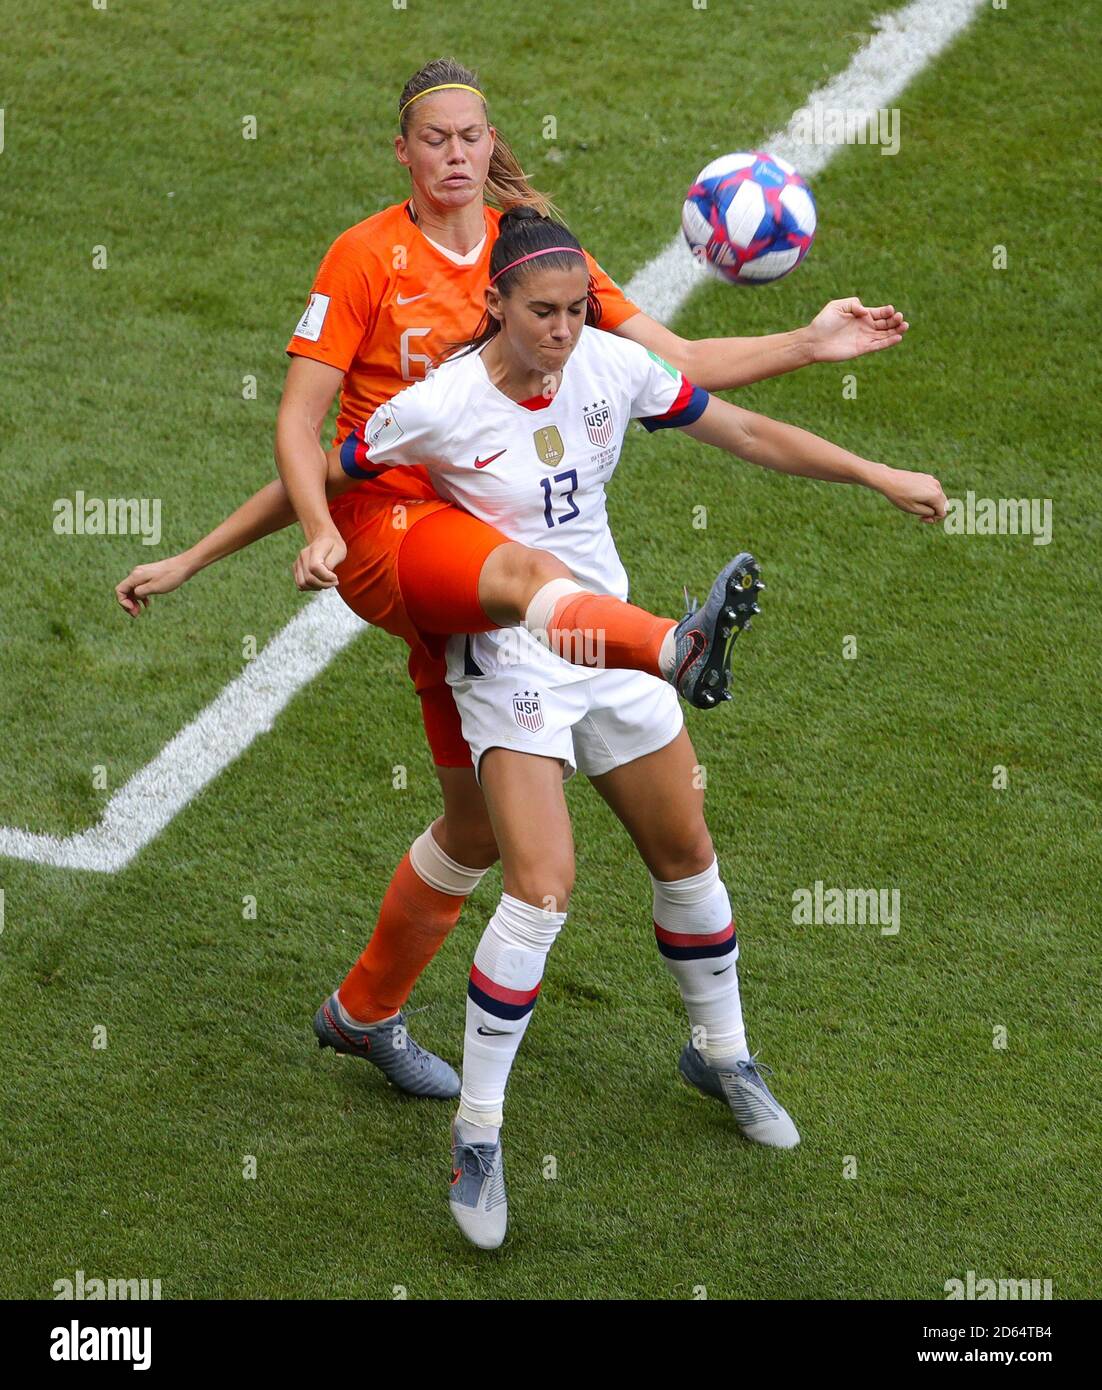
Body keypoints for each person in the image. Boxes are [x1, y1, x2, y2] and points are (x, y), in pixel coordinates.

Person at [115, 58, 914, 1100]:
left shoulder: (537, 258)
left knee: (474, 831)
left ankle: (359, 1013)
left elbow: (670, 361)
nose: (456, 155)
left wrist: (810, 343)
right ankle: (672, 644)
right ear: (401, 152)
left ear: (493, 144)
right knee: (521, 575)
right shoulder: (365, 259)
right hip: (384, 536)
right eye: (434, 138)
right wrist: (306, 531)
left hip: (464, 549)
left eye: (471, 137)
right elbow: (309, 434)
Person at [333, 206, 946, 1247]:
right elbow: (325, 476)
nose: (563, 330)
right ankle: (477, 1139)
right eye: (541, 313)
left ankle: (719, 1051)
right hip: (512, 660)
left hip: (606, 647)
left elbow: (743, 430)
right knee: (542, 886)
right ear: (495, 306)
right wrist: (240, 546)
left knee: (685, 849)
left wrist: (876, 475)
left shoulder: (613, 365)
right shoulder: (435, 405)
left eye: (576, 310)